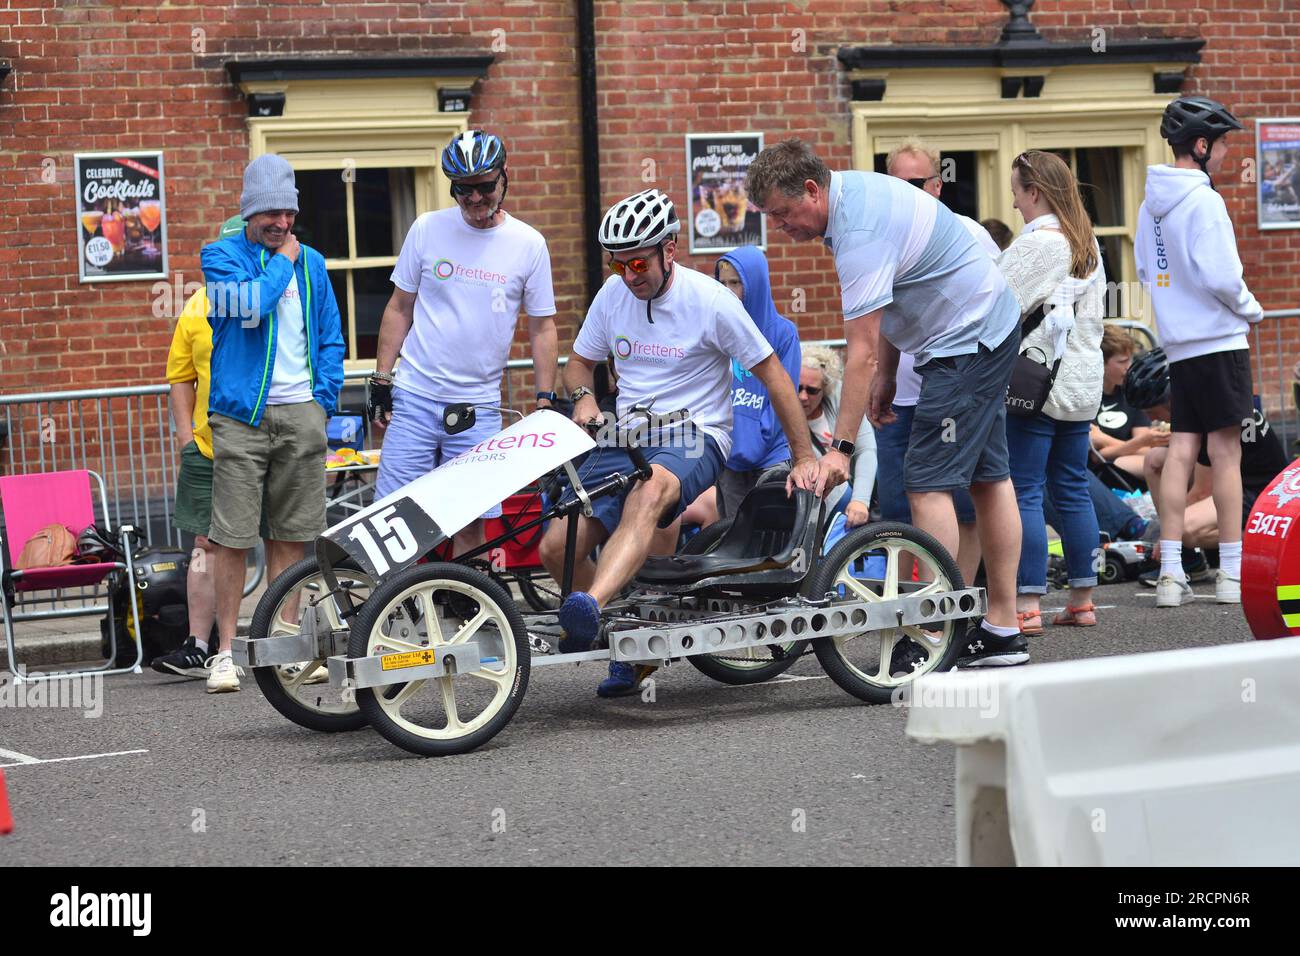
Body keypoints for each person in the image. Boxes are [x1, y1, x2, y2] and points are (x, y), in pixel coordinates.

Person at [746, 138, 1027, 669]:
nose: (784, 230)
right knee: (989, 479)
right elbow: (897, 298)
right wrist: (891, 378)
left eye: (784, 215)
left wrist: (841, 449)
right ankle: (1003, 631)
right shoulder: (853, 201)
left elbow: (860, 353)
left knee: (926, 484)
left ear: (812, 189)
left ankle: (933, 634)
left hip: (965, 340)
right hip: (984, 328)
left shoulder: (859, 230)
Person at [538, 188, 819, 697]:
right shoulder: (613, 294)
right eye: (618, 264)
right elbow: (578, 363)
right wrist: (582, 399)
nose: (629, 275)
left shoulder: (709, 301)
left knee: (649, 497)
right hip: (627, 433)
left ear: (669, 249)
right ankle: (620, 635)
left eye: (639, 262)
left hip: (697, 434)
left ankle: (592, 606)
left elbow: (774, 373)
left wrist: (803, 455)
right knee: (557, 544)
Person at [368, 129, 559, 559]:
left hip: (478, 405)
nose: (474, 199)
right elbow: (400, 307)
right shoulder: (427, 229)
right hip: (415, 394)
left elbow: (543, 327)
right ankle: (397, 610)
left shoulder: (528, 244)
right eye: (463, 190)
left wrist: (545, 397)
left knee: (473, 517)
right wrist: (381, 378)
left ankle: (463, 607)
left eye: (484, 187)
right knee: (393, 515)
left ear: (504, 178)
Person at [200, 154, 346, 693]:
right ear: (249, 214)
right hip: (241, 415)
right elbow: (253, 306)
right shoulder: (219, 256)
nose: (282, 224)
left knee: (292, 535)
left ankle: (285, 644)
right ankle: (223, 653)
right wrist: (283, 259)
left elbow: (330, 335)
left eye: (289, 214)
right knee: (232, 537)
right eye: (271, 215)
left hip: (301, 412)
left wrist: (322, 400)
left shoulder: (313, 263)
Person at [1135, 95, 1263, 606]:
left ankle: (1170, 575)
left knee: (1182, 452)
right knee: (1227, 454)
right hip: (1220, 340)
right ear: (1203, 146)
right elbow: (1222, 276)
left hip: (1180, 345)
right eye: (1225, 144)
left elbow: (1149, 272)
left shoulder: (1151, 205)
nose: (1230, 154)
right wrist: (1249, 307)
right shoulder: (1206, 200)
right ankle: (1230, 574)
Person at [879, 138, 1001, 584]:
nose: (907, 192)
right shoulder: (883, 240)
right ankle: (906, 602)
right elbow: (882, 315)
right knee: (897, 506)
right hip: (902, 395)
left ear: (937, 185)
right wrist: (884, 377)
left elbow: (998, 310)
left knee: (963, 504)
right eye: (897, 184)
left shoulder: (970, 235)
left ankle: (956, 600)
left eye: (916, 182)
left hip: (957, 387)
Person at [999, 150, 1107, 633]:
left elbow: (997, 303)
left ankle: (1026, 604)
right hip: (1082, 379)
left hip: (1037, 381)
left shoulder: (1039, 243)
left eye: (1018, 190)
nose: (1015, 201)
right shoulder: (1088, 242)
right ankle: (1082, 599)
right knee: (1072, 487)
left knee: (1024, 489)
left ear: (1035, 191)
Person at [1127, 350, 1286, 585]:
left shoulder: (1204, 416)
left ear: (1170, 399)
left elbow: (1202, 491)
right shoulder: (1207, 399)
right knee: (1155, 460)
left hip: (1264, 495)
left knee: (1187, 528)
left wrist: (1169, 537)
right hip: (1241, 481)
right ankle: (1189, 559)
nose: (1151, 419)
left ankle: (1267, 549)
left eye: (1151, 411)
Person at [713, 246, 803, 519]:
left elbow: (784, 394)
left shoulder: (783, 333)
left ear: (755, 284)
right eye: (722, 282)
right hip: (729, 457)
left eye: (735, 283)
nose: (727, 290)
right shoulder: (717, 328)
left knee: (770, 539)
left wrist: (757, 438)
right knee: (732, 539)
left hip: (770, 457)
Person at [798, 345, 876, 524]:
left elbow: (866, 449)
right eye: (798, 387)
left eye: (811, 390)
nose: (803, 396)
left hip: (841, 502)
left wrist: (860, 501)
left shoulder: (839, 397)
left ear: (825, 389)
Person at [1091, 325, 1168, 484]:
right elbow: (1095, 456)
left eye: (1131, 359)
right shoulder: (1088, 398)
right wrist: (1138, 443)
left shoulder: (1129, 394)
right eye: (1122, 361)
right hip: (1101, 471)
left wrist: (1105, 440)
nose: (1129, 367)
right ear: (1102, 363)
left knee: (1161, 461)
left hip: (1127, 464)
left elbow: (1146, 450)